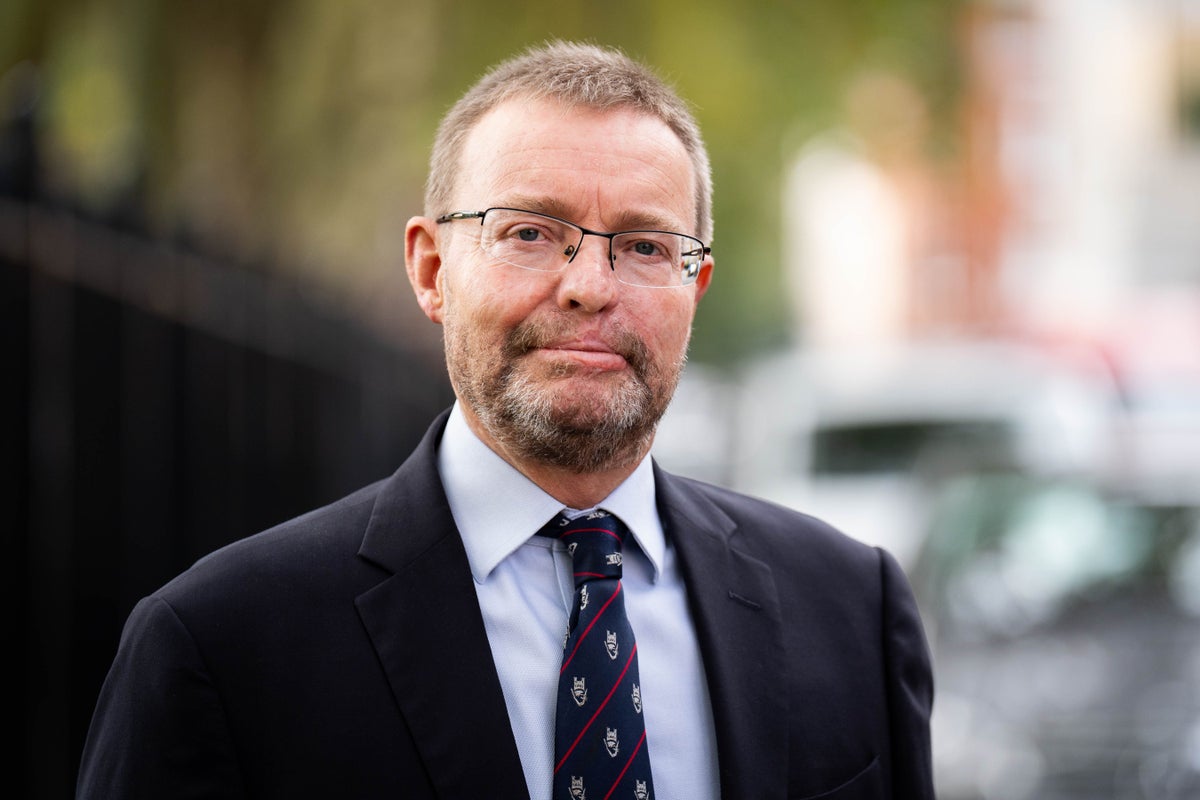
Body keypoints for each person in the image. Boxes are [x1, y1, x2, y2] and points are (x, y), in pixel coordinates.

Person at [77, 41, 934, 799]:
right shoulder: (223, 647)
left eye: (645, 246)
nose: (590, 286)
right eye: (529, 232)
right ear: (431, 270)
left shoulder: (851, 610)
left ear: (694, 288)